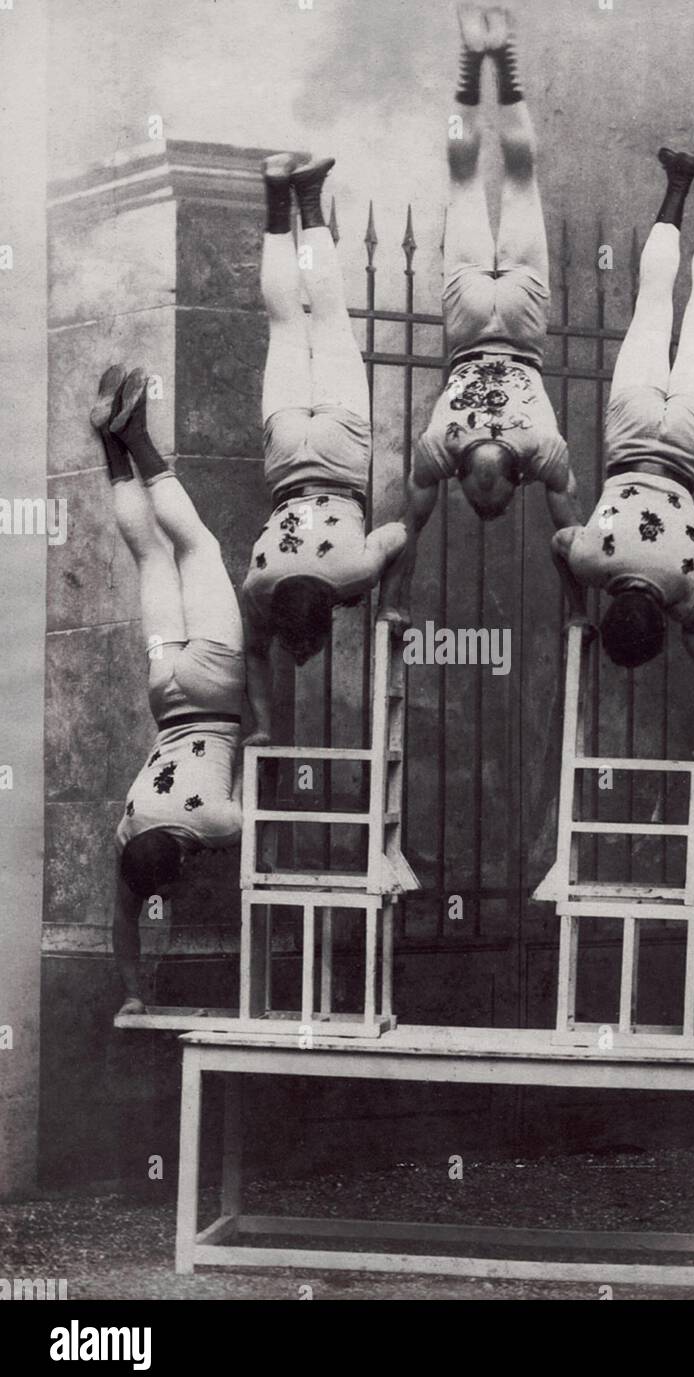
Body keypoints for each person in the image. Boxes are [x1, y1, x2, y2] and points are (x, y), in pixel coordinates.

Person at [380, 4, 578, 626]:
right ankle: (476, 61)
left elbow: (570, 530)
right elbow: (411, 521)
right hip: (470, 325)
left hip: (518, 326)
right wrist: (393, 599)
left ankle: (498, 60)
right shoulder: (439, 449)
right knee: (464, 176)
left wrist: (578, 609)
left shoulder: (542, 451)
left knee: (519, 176)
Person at [550, 147, 694, 763]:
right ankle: (677, 181)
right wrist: (579, 608)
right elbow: (561, 546)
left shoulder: (687, 592)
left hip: (687, 440)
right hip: (632, 432)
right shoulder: (592, 561)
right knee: (653, 303)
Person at [90, 366, 247, 1015]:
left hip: (214, 684)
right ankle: (112, 447)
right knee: (152, 558)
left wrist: (136, 997)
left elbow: (257, 780)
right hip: (167, 687)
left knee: (196, 548)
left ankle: (138, 436)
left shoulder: (216, 824)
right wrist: (129, 990)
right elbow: (120, 924)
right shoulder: (126, 832)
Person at [243, 151, 407, 739]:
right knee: (286, 323)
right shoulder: (259, 585)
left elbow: (398, 534)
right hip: (287, 457)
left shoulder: (350, 575)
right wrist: (259, 725)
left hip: (338, 458)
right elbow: (255, 649)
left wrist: (385, 597)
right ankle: (275, 200)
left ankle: (309, 197)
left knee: (329, 315)